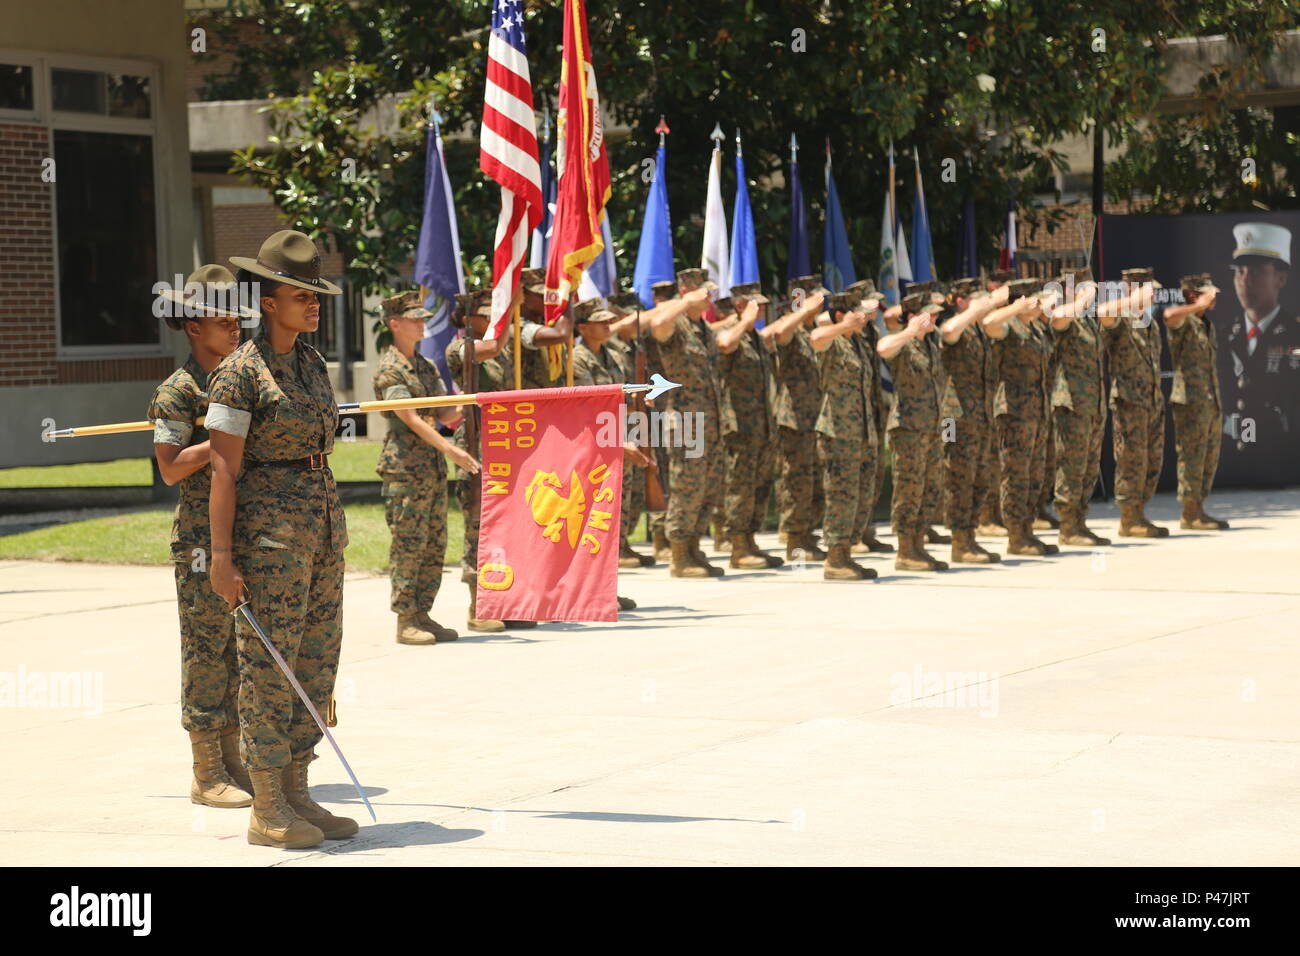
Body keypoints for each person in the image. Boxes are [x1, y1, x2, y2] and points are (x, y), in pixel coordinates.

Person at [206, 230, 354, 849]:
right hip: (268, 542)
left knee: (316, 665)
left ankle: (299, 790)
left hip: (320, 533)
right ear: (268, 301)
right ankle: (267, 806)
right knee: (269, 668)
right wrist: (218, 556)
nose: (315, 305)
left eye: (318, 295)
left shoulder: (313, 363)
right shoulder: (240, 374)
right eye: (302, 295)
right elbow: (222, 467)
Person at [150, 264, 255, 810]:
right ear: (194, 326)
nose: (236, 325)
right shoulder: (177, 392)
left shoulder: (243, 378)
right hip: (198, 540)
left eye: (239, 315)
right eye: (223, 317)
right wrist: (217, 440)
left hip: (246, 533)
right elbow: (168, 467)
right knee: (206, 650)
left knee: (239, 651)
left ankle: (235, 760)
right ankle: (206, 770)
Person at [373, 290, 478, 645]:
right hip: (404, 468)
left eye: (423, 318)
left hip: (429, 468)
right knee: (409, 544)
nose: (422, 323)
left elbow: (445, 412)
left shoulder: (426, 365)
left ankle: (423, 613)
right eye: (415, 319)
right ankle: (405, 619)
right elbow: (412, 418)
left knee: (434, 544)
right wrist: (452, 450)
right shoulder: (391, 368)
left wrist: (472, 399)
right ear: (394, 324)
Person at [445, 289, 535, 631]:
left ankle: (506, 599)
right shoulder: (459, 349)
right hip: (477, 445)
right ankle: (479, 604)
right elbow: (493, 346)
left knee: (509, 524)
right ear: (470, 320)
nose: (494, 320)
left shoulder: (501, 355)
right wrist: (509, 309)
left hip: (506, 445)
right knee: (479, 524)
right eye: (488, 314)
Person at [647, 269, 722, 577]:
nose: (708, 297)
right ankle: (678, 555)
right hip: (686, 420)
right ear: (687, 291)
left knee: (707, 487)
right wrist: (683, 300)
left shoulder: (702, 329)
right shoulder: (676, 324)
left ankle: (693, 547)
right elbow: (657, 324)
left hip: (709, 420)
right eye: (702, 291)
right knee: (686, 486)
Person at [982, 279, 1059, 556]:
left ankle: (1027, 530)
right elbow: (989, 322)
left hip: (1037, 413)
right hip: (1014, 413)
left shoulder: (1036, 330)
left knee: (1033, 476)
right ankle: (1016, 535)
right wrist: (1013, 307)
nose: (1041, 304)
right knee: (1015, 476)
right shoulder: (1009, 327)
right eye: (1036, 300)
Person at [1218, 222, 1299, 485]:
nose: (1245, 280)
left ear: (1281, 278)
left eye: (1256, 271)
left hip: (1283, 460)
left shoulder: (1294, 333)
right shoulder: (1223, 333)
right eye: (1239, 271)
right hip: (1232, 464)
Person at [810, 289, 883, 580]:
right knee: (842, 495)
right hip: (838, 431)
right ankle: (835, 558)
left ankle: (847, 552)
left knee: (861, 496)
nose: (865, 317)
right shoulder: (833, 340)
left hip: (862, 432)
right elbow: (815, 337)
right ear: (841, 315)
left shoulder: (859, 344)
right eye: (858, 312)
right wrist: (841, 326)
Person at [877, 291, 948, 571]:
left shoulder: (930, 345)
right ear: (911, 317)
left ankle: (919, 544)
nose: (934, 317)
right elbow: (883, 348)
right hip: (908, 429)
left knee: (928, 489)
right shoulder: (903, 344)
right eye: (927, 313)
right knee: (908, 490)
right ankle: (905, 550)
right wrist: (909, 330)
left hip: (931, 428)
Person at [936, 277, 1002, 563]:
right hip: (953, 419)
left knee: (980, 478)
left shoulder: (980, 331)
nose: (982, 303)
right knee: (957, 478)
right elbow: (948, 332)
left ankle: (970, 536)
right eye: (974, 299)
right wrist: (975, 311)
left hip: (979, 417)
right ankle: (959, 542)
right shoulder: (957, 325)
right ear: (960, 301)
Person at [718, 282, 783, 569]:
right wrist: (744, 321)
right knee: (740, 488)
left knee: (759, 486)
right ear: (740, 305)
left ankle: (750, 539)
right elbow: (725, 345)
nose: (763, 308)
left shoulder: (753, 335)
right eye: (757, 304)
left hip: (760, 424)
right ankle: (737, 547)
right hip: (739, 426)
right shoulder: (731, 329)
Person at [1045, 271, 1109, 546]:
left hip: (1091, 404)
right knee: (1071, 467)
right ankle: (1068, 527)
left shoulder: (1086, 322)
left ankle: (1080, 522)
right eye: (1084, 288)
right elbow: (1057, 320)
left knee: (1087, 468)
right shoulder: (1063, 314)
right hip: (1070, 403)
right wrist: (1082, 299)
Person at [767, 276, 829, 561]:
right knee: (797, 482)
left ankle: (806, 534)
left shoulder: (810, 332)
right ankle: (795, 541)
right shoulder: (789, 327)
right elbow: (779, 334)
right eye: (815, 299)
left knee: (813, 482)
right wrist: (803, 310)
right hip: (793, 419)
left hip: (814, 417)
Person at [1101, 268, 1165, 537]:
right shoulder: (1121, 319)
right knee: (1131, 460)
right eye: (1149, 291)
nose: (1154, 296)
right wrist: (1131, 300)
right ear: (1131, 290)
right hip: (1129, 402)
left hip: (1151, 402)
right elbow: (1102, 312)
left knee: (1151, 461)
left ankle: (1139, 513)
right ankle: (1129, 519)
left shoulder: (1150, 323)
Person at [1164, 274, 1229, 529]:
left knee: (1207, 456)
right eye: (1207, 293)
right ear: (1193, 295)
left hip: (1209, 400)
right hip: (1190, 400)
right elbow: (1169, 316)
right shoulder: (1186, 321)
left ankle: (1198, 509)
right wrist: (1198, 306)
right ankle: (1189, 513)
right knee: (1191, 455)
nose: (1214, 298)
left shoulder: (1205, 324)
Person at [607, 289, 657, 568]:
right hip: (616, 425)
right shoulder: (611, 347)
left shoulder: (635, 347)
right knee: (620, 488)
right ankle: (618, 546)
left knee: (635, 487)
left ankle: (623, 543)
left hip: (635, 421)